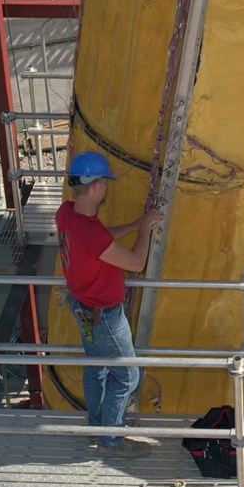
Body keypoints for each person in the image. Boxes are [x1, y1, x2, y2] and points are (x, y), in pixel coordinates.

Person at [55, 150, 162, 457]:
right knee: (127, 376)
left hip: (83, 310)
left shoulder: (66, 214)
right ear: (98, 186)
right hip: (106, 318)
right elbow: (136, 263)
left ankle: (95, 426)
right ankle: (111, 439)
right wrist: (144, 229)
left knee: (96, 368)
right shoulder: (90, 233)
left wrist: (133, 224)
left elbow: (101, 240)